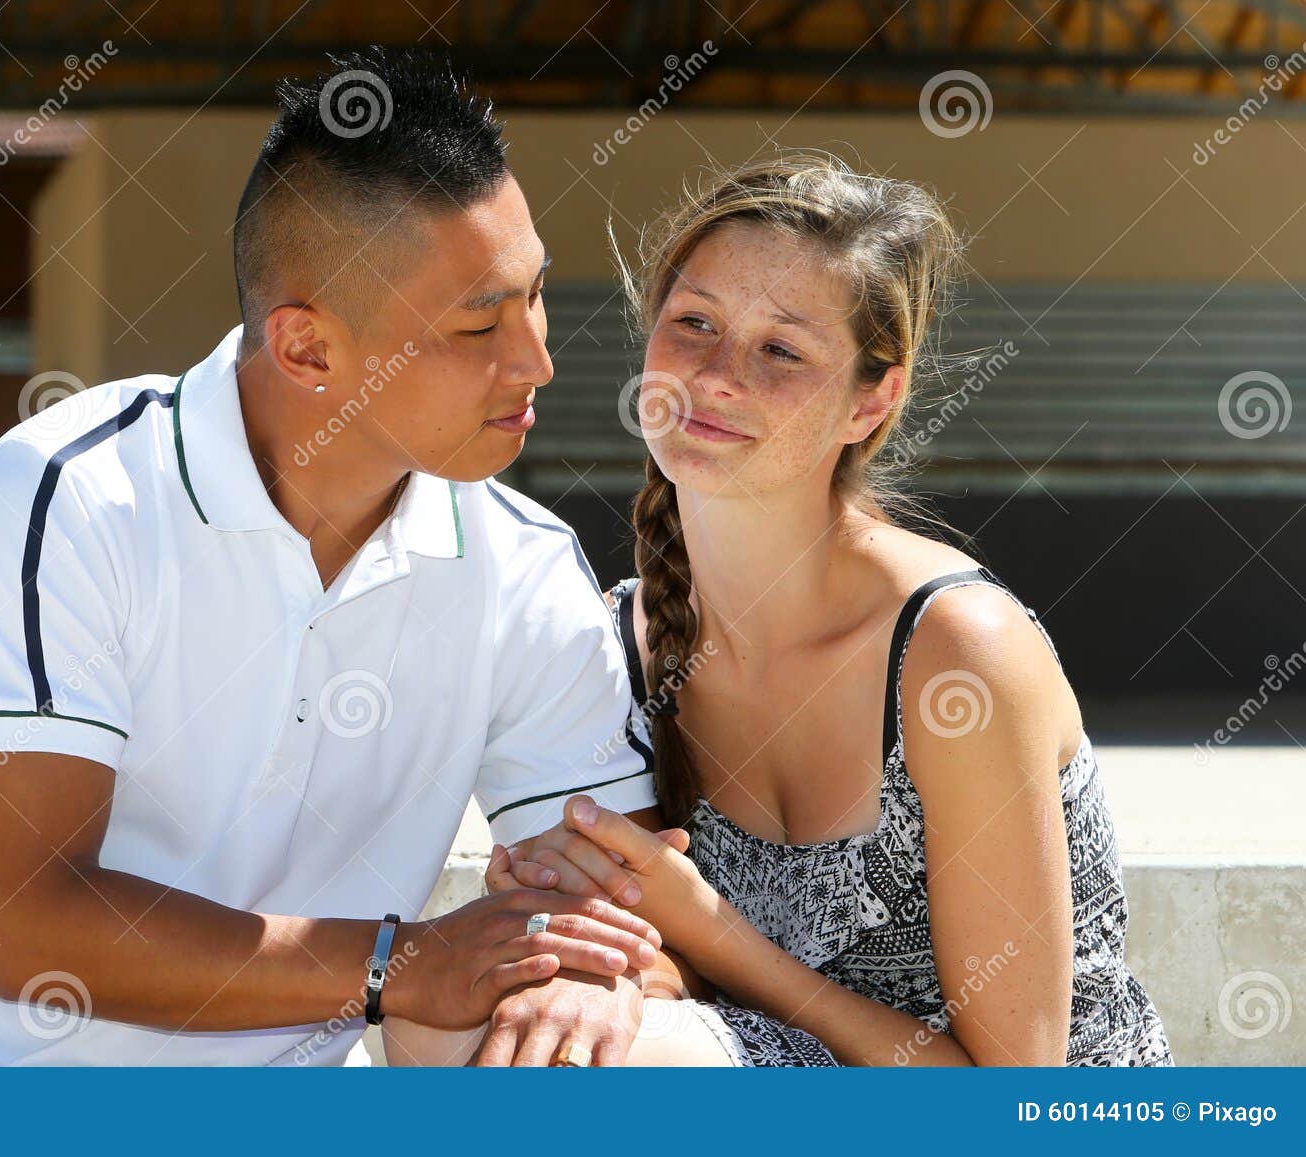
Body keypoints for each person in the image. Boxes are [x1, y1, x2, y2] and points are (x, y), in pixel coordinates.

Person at [0, 48, 679, 1068]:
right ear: (307, 348)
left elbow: (622, 896)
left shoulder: (524, 563)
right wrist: (393, 962)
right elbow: (27, 923)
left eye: (534, 294)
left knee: (612, 1050)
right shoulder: (71, 491)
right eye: (477, 321)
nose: (537, 358)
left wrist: (595, 969)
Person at [487, 153, 1173, 1066]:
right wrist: (584, 941)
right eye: (694, 322)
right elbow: (649, 961)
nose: (718, 374)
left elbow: (1015, 1094)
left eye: (781, 349)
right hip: (791, 1067)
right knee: (471, 1003)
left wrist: (707, 931)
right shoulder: (617, 639)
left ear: (872, 399)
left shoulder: (955, 651)